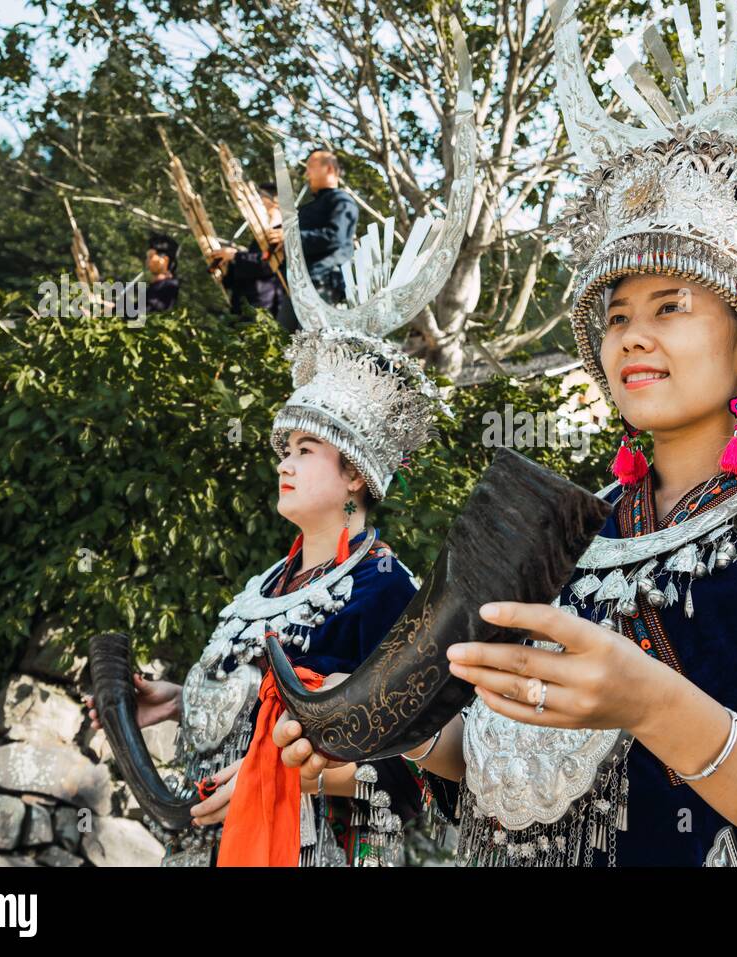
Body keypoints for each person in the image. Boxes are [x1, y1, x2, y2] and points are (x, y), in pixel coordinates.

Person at [277, 0, 737, 867]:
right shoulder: (570, 536)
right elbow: (500, 761)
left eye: (671, 306)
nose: (633, 336)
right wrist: (382, 732)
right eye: (616, 314)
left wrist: (651, 702)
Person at [84, 90, 475, 866]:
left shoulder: (386, 595)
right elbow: (240, 709)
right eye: (282, 447)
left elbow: (419, 778)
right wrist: (169, 702)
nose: (286, 461)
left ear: (356, 475)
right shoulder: (265, 584)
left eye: (305, 448)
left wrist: (297, 777)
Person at [276, 149, 358, 333]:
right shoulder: (309, 207)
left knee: (312, 341)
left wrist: (290, 238)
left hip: (321, 281)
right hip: (299, 283)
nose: (306, 174)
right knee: (283, 341)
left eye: (310, 167)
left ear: (328, 169)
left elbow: (334, 236)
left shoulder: (341, 201)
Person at [213, 183, 286, 320]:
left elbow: (267, 263)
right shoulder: (260, 235)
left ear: (275, 202)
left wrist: (235, 255)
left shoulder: (281, 233)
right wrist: (226, 269)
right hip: (243, 306)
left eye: (260, 199)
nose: (256, 204)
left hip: (263, 307)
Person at [142, 232, 181, 314]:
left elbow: (149, 310)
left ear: (165, 260)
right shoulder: (157, 284)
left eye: (151, 256)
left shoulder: (170, 285)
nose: (147, 261)